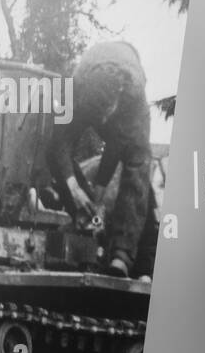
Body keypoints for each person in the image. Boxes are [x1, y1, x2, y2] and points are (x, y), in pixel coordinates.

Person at [45, 40, 153, 277]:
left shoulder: (132, 96)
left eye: (106, 115)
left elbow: (117, 144)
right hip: (86, 86)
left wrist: (102, 189)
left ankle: (121, 255)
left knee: (139, 165)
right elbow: (59, 144)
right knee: (53, 149)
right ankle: (89, 220)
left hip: (127, 101)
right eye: (98, 117)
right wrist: (74, 187)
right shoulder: (73, 91)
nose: (102, 124)